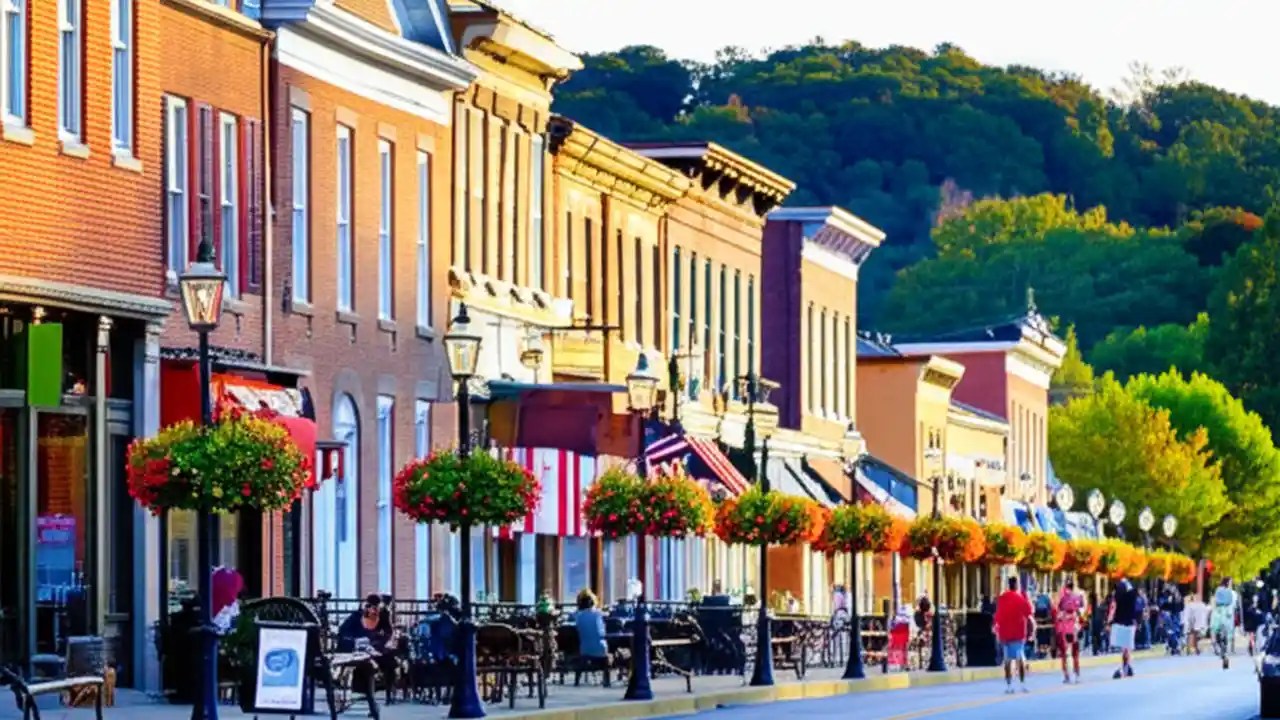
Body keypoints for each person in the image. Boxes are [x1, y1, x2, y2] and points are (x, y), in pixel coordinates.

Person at [337, 594, 399, 704]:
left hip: (375, 647)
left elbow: (388, 632)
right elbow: (343, 632)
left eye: (376, 608)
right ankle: (360, 691)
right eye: (371, 608)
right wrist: (355, 641)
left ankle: (388, 694)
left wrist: (378, 643)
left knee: (390, 662)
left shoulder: (383, 615)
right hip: (357, 649)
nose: (373, 611)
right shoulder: (356, 616)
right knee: (362, 665)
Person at [994, 576, 1034, 694]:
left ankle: (1009, 685)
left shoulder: (1002, 599)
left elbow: (998, 615)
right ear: (1016, 585)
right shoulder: (1020, 598)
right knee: (1019, 659)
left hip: (1004, 634)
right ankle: (1022, 684)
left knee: (1007, 660)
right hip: (1017, 633)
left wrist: (996, 627)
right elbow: (1029, 613)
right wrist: (1032, 631)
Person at [1055, 579, 1084, 683]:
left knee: (1064, 654)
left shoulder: (1062, 599)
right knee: (1075, 653)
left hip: (1064, 629)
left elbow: (1058, 613)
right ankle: (1077, 675)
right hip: (1074, 629)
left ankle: (1067, 676)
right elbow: (1081, 614)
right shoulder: (1078, 598)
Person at [1109, 577, 1139, 679]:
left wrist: (1109, 619)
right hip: (1129, 621)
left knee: (1120, 646)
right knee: (1127, 647)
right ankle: (1126, 667)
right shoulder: (1133, 589)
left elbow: (1114, 605)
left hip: (1119, 621)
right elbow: (1135, 607)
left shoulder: (1118, 588)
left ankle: (1121, 668)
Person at [1211, 577, 1238, 669]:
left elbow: (1218, 601)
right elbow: (1229, 602)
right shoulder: (1226, 591)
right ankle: (1224, 649)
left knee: (1220, 631)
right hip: (1225, 612)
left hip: (1223, 612)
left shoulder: (1222, 591)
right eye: (1230, 582)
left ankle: (1223, 649)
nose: (1231, 583)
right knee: (1223, 631)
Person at [1183, 590, 1209, 655]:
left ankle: (1190, 649)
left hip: (1192, 620)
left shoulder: (1190, 605)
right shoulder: (1201, 605)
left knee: (1190, 633)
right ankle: (1193, 649)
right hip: (1196, 621)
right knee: (1195, 633)